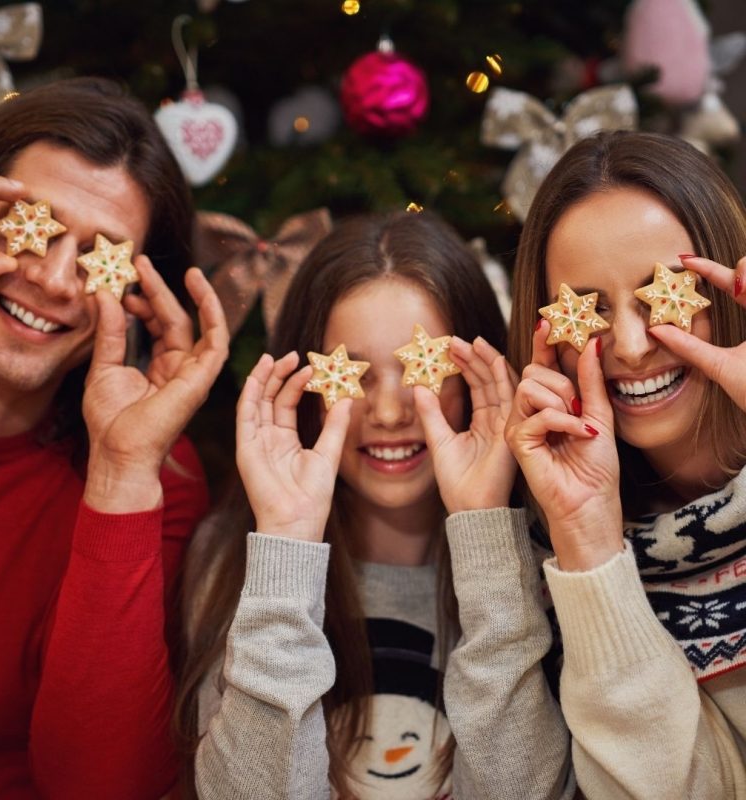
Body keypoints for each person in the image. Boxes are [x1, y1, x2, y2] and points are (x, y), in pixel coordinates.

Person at [176, 211, 574, 799]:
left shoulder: (550, 571)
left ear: (478, 381)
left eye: (423, 370)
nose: (389, 412)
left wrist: (488, 531)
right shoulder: (235, 563)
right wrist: (286, 542)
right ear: (307, 387)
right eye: (355, 374)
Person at [0, 78, 229, 799]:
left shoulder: (156, 476)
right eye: (31, 227)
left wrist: (123, 472)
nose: (55, 280)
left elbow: (101, 785)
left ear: (135, 300)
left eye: (99, 257)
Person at [504, 130, 746, 798]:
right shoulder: (545, 561)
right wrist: (588, 538)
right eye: (593, 309)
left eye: (659, 294)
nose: (634, 346)